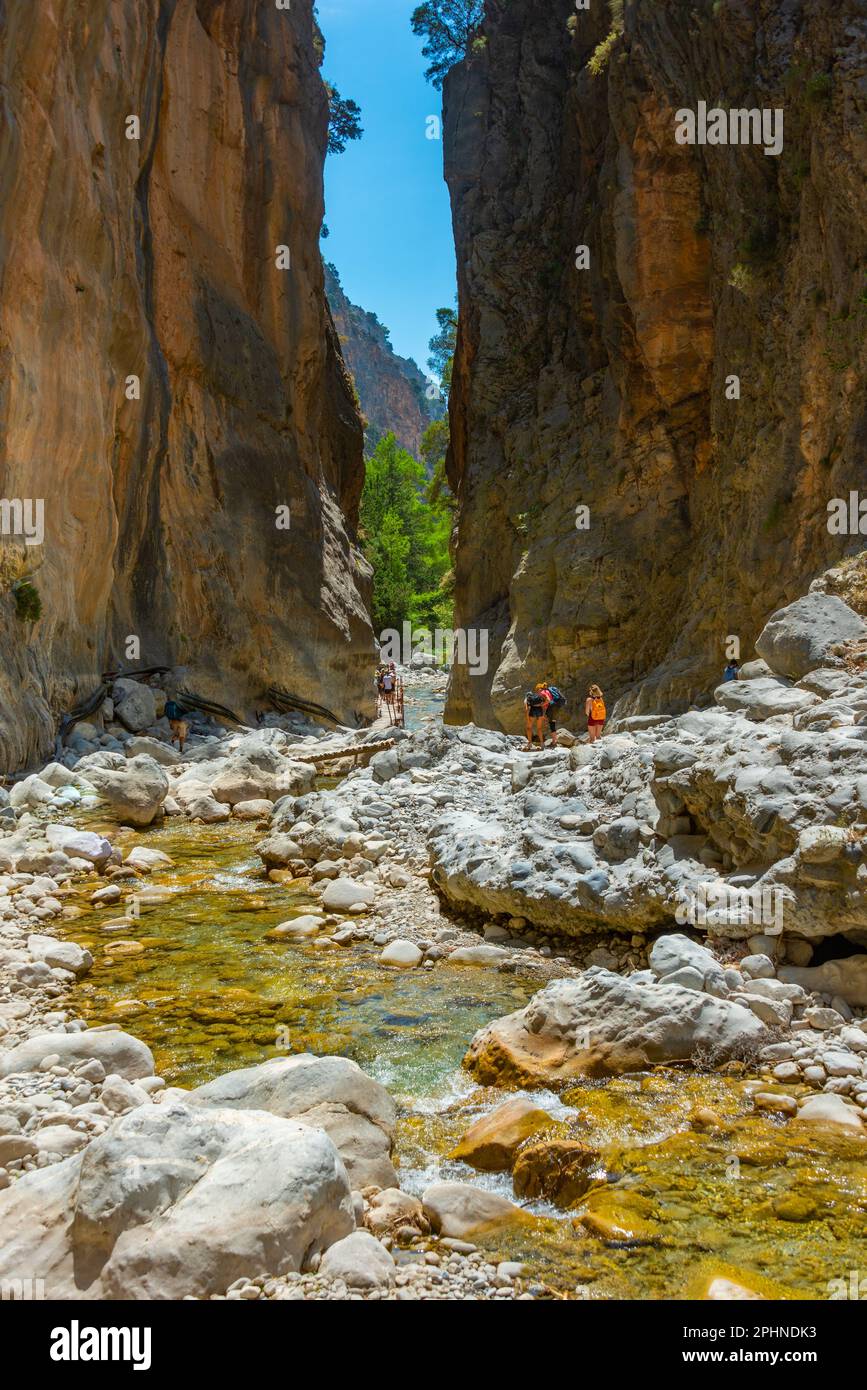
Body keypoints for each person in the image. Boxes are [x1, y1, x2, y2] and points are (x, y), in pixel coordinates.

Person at [524, 683, 549, 750]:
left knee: (529, 728)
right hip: (540, 711)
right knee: (539, 728)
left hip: (532, 711)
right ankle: (542, 743)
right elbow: (548, 701)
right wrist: (541, 706)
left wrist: (527, 718)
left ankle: (529, 743)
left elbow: (527, 709)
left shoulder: (528, 698)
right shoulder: (541, 696)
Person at [541, 680, 566, 747]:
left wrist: (542, 705)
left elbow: (548, 700)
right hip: (557, 706)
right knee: (553, 723)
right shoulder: (551, 689)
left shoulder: (543, 692)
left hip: (552, 707)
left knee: (551, 724)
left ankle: (554, 742)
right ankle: (554, 740)